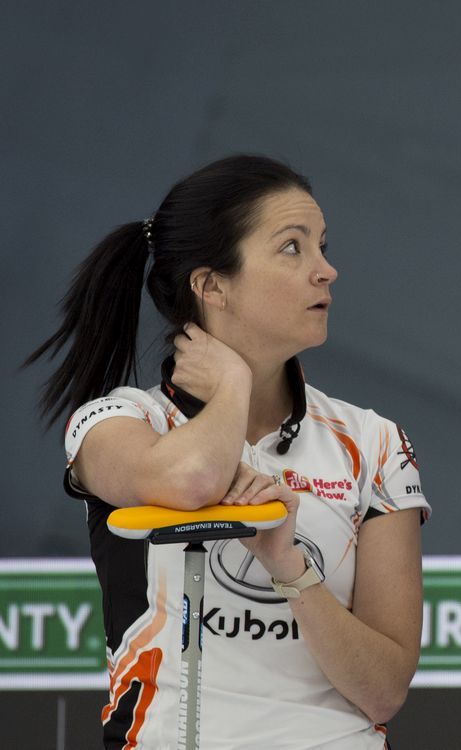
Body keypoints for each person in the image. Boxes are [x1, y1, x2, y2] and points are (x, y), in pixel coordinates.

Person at [26, 155, 429, 749]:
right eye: (293, 248)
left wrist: (289, 566)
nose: (328, 271)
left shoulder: (372, 440)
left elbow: (384, 690)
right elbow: (189, 480)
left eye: (322, 245)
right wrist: (234, 384)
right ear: (211, 284)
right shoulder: (116, 420)